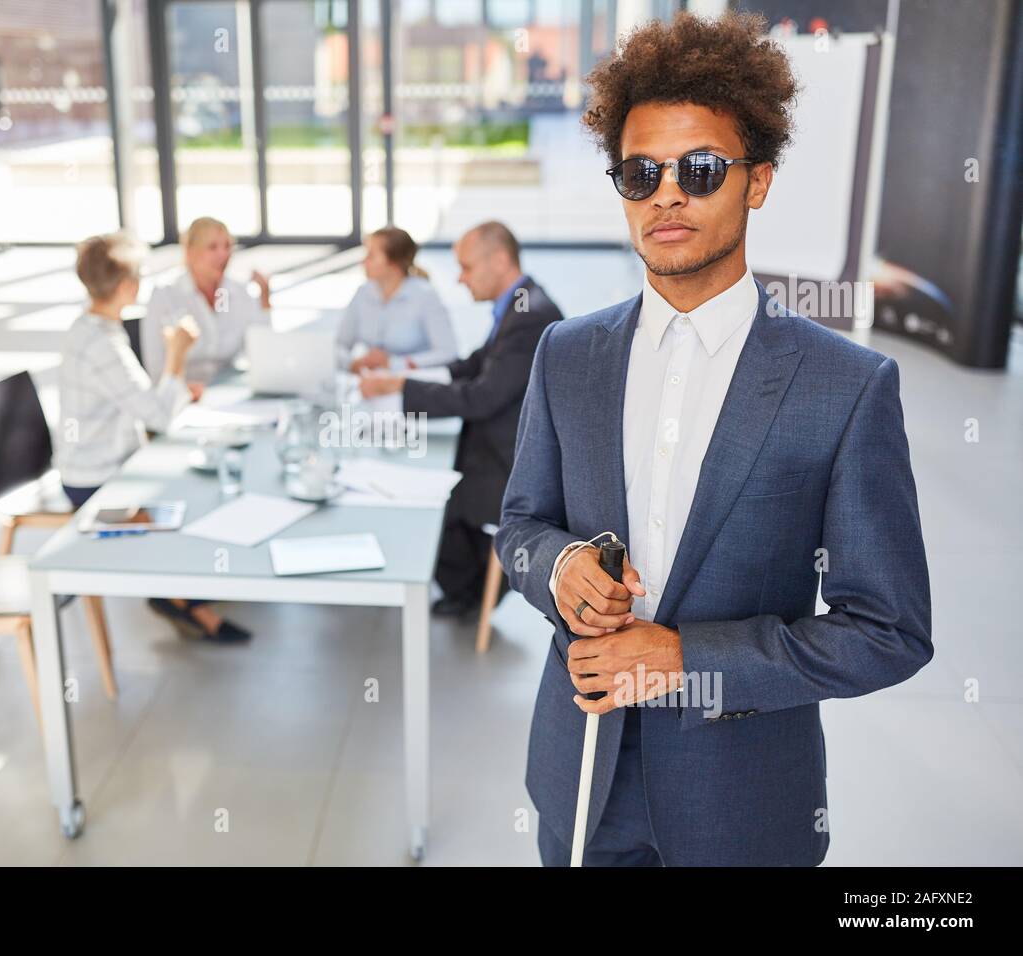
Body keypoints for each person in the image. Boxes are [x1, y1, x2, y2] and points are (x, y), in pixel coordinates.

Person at [495, 11, 932, 867]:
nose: (667, 194)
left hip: (744, 813)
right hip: (579, 784)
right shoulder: (567, 355)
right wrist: (558, 569)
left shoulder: (845, 387)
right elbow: (518, 525)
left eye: (699, 170)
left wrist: (686, 658)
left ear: (757, 181)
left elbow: (889, 630)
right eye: (640, 172)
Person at [360, 221, 562, 617]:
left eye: (467, 267)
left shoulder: (528, 315)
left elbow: (483, 397)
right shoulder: (521, 302)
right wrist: (403, 380)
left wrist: (402, 390)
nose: (460, 278)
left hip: (509, 462)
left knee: (430, 498)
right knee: (422, 463)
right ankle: (470, 587)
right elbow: (476, 364)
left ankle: (473, 589)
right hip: (498, 441)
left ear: (500, 260)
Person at [59, 230, 251, 644]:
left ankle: (183, 598)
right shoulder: (102, 345)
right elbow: (160, 416)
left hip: (112, 463)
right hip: (97, 482)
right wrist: (177, 354)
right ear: (128, 286)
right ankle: (187, 600)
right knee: (197, 498)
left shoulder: (94, 328)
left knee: (195, 487)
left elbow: (142, 403)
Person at [142, 216, 271, 386]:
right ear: (190, 252)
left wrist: (264, 299)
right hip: (182, 397)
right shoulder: (165, 296)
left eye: (227, 246)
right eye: (212, 247)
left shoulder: (238, 292)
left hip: (229, 391)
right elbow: (156, 371)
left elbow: (263, 352)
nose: (223, 254)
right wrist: (186, 391)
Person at [338, 226, 458, 372]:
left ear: (393, 263)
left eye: (371, 255)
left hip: (413, 384)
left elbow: (448, 353)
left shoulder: (425, 295)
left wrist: (395, 363)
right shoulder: (363, 293)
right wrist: (351, 363)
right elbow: (339, 344)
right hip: (371, 383)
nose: (364, 262)